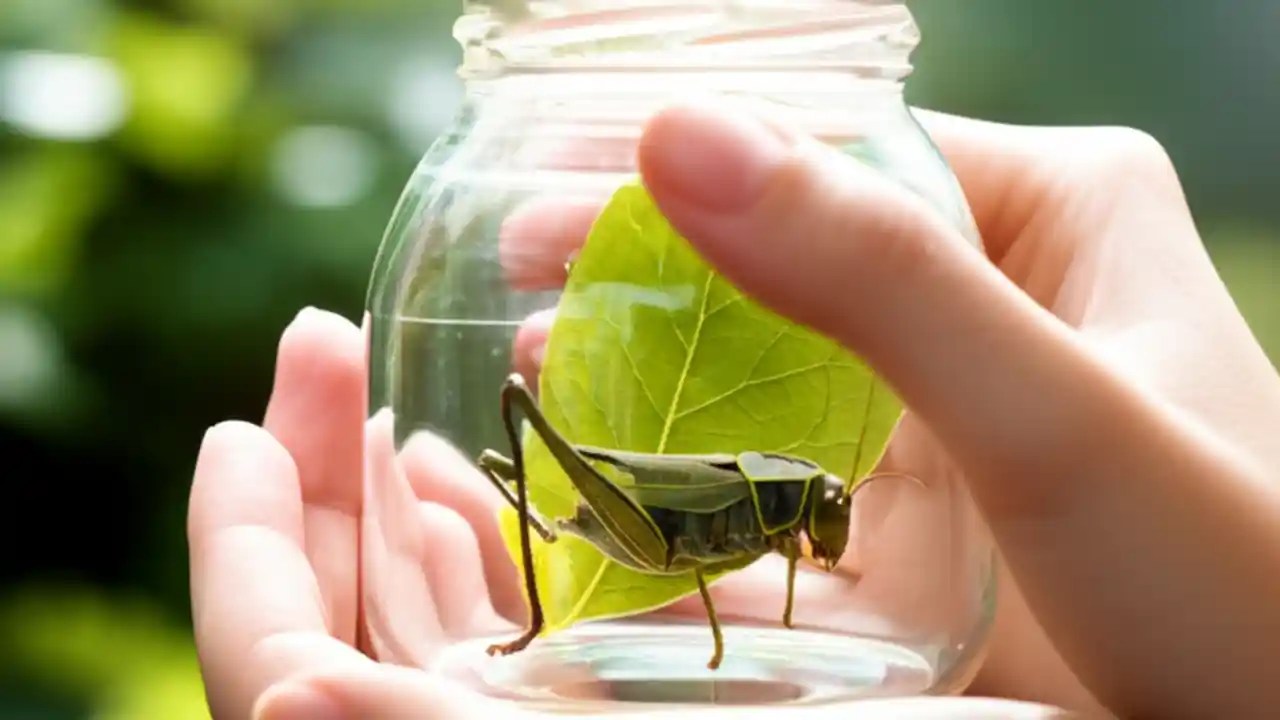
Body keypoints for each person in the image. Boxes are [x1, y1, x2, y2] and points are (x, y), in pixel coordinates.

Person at [187, 103, 1280, 720]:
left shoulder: (790, 511)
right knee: (535, 422)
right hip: (641, 519)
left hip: (648, 528)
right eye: (816, 507)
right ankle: (536, 606)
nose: (821, 521)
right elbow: (707, 561)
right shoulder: (757, 503)